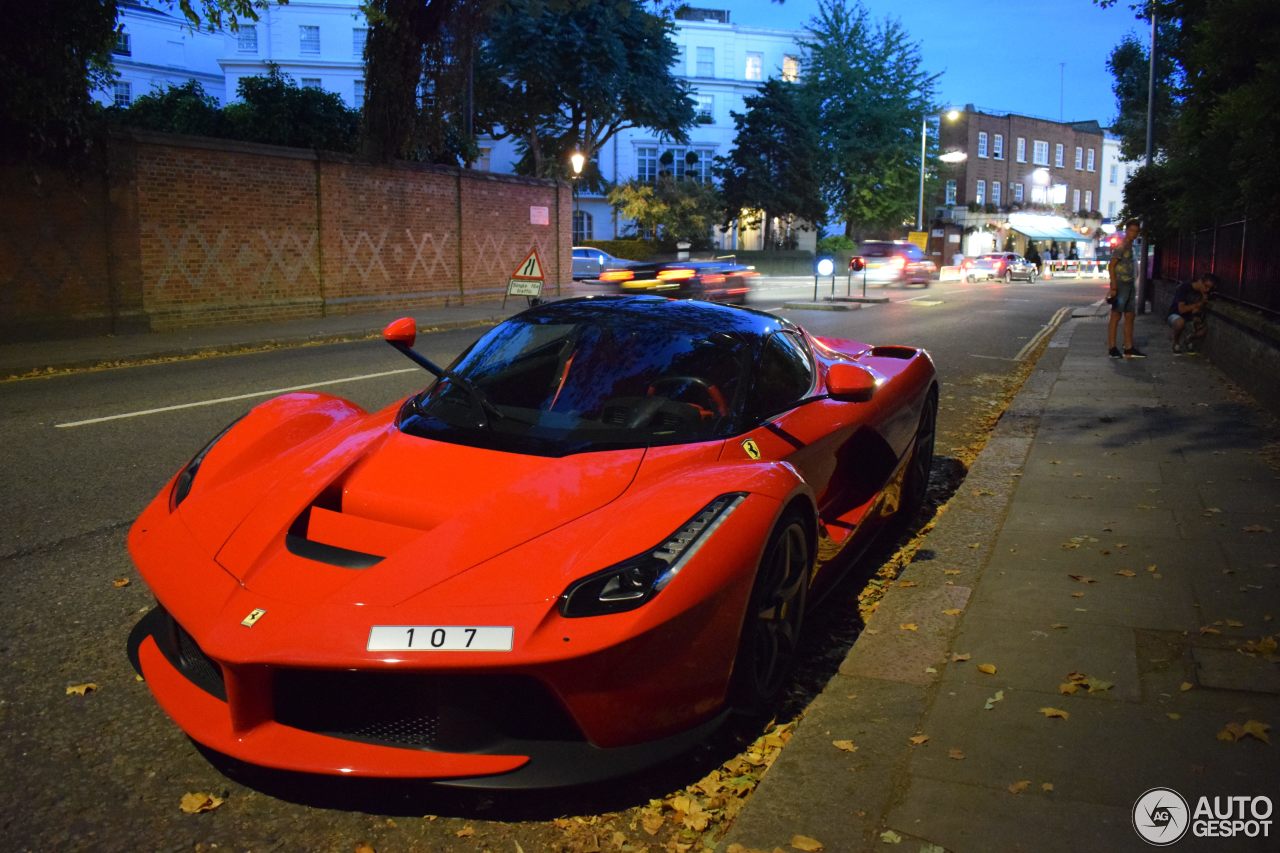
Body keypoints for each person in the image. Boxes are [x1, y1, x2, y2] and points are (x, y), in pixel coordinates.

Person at [1106, 219, 1146, 358]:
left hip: (1130, 285)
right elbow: (1111, 266)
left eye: (1136, 231)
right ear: (1126, 230)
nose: (1133, 234)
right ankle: (1112, 347)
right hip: (1121, 284)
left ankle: (1128, 347)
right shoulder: (1121, 247)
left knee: (1130, 315)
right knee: (1116, 315)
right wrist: (1114, 286)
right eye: (1131, 230)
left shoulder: (1131, 247)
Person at [1168, 272, 1217, 353]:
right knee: (1180, 322)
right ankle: (1176, 342)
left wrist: (1197, 315)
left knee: (1203, 330)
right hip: (1175, 314)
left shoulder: (1204, 294)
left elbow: (1196, 311)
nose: (1207, 290)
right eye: (1206, 286)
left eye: (1210, 288)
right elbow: (1181, 309)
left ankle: (1188, 339)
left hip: (1189, 316)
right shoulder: (1185, 287)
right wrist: (1198, 304)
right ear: (1200, 281)